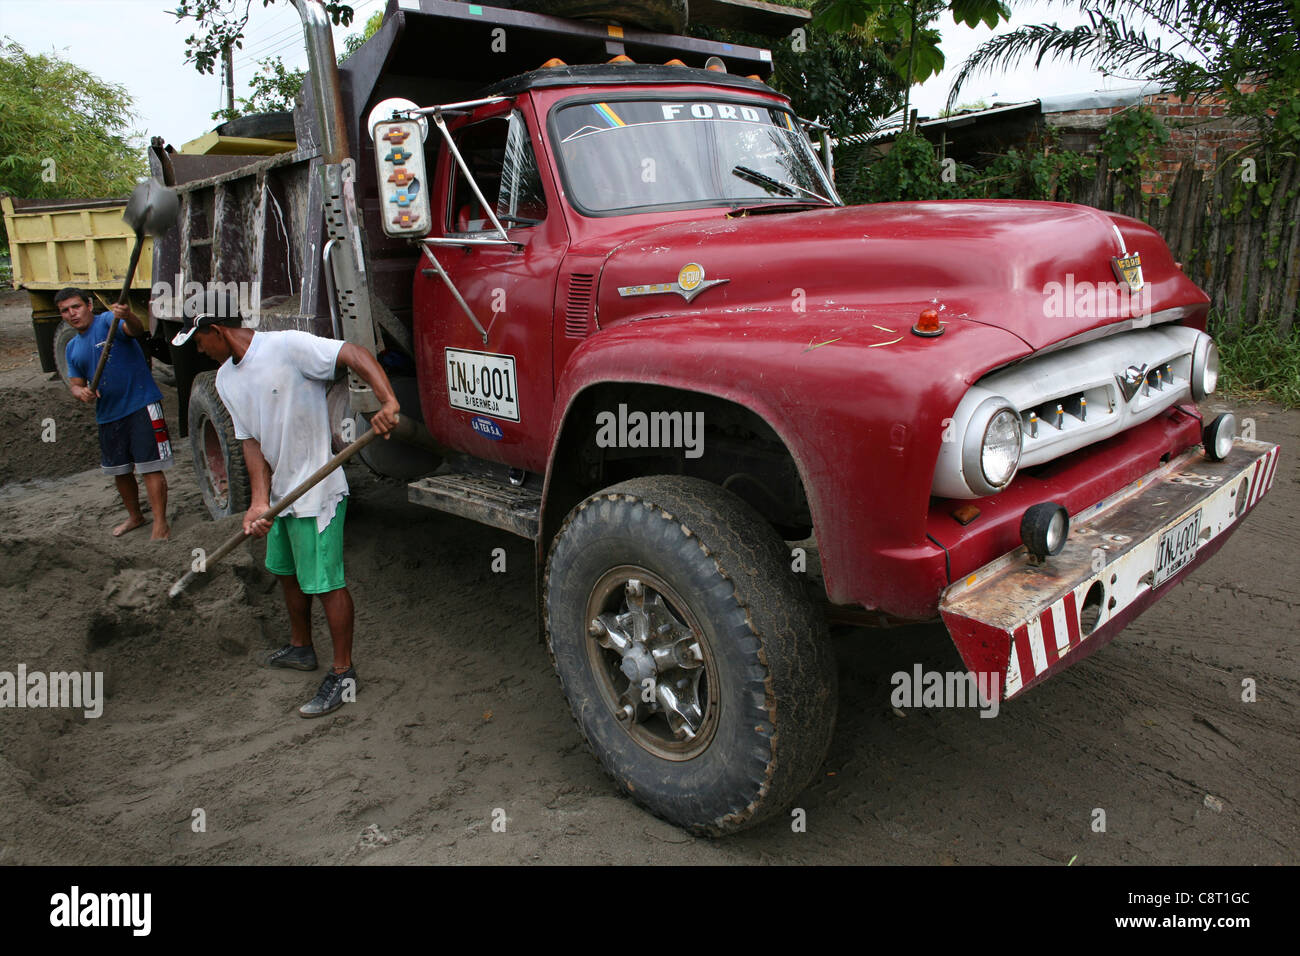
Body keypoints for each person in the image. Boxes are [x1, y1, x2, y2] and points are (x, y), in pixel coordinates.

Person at [172, 309, 400, 718]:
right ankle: (301, 648)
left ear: (217, 330)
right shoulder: (226, 379)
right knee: (287, 572)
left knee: (326, 583)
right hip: (282, 494)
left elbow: (354, 352)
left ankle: (343, 672)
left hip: (318, 491)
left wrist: (388, 400)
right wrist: (260, 501)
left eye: (199, 340)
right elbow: (251, 443)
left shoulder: (287, 346)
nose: (199, 349)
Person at [58, 287, 172, 540]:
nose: (72, 314)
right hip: (108, 414)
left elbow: (136, 329)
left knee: (150, 466)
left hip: (140, 404)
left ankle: (160, 524)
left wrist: (127, 315)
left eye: (76, 306)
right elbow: (75, 383)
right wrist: (81, 392)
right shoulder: (73, 348)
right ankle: (135, 516)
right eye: (65, 311)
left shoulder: (109, 321)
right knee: (119, 471)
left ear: (88, 304)